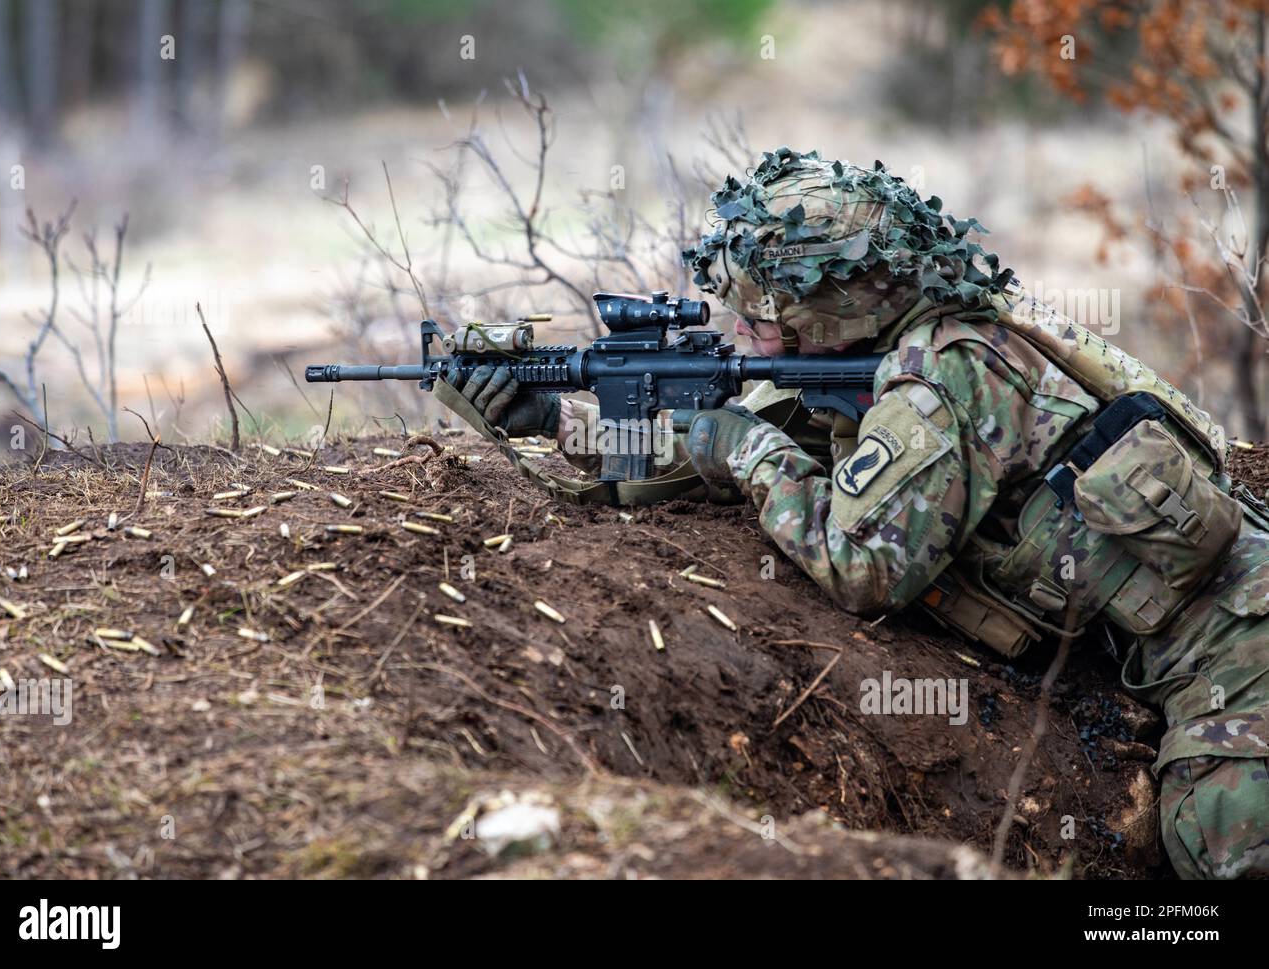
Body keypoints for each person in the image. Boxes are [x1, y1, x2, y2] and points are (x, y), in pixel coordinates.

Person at [441, 148, 1269, 879]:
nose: (744, 333)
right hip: (1161, 637)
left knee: (1218, 834)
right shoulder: (889, 346)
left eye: (762, 317)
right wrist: (553, 421)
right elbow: (695, 447)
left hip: (1236, 638)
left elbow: (863, 563)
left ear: (830, 310)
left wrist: (752, 453)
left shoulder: (942, 379)